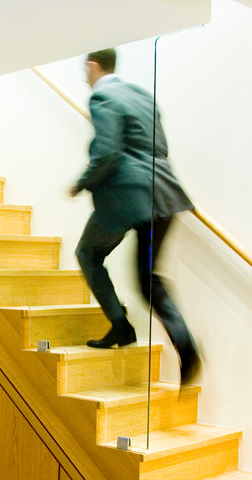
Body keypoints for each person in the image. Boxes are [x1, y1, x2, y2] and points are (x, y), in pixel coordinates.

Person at [69, 47, 200, 384]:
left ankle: (120, 325)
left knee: (88, 252)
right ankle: (186, 347)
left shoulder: (103, 98)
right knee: (148, 279)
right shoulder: (142, 95)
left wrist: (82, 182)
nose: (85, 76)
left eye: (85, 70)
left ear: (93, 66)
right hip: (165, 193)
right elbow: (160, 148)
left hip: (128, 197)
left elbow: (107, 150)